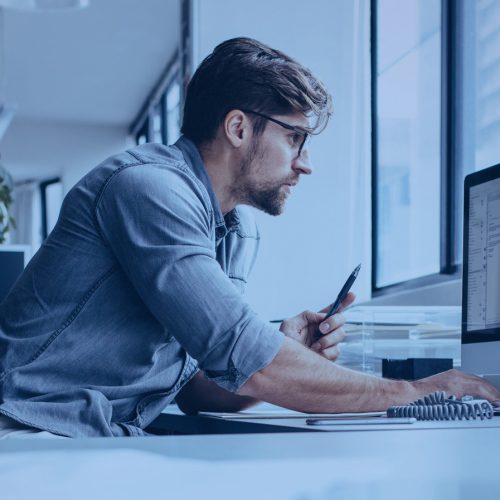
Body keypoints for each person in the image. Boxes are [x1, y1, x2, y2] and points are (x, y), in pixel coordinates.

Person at [0, 38, 498, 438]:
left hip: (100, 436)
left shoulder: (236, 228)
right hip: (28, 432)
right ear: (238, 127)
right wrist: (418, 392)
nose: (305, 163)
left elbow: (198, 389)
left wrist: (283, 350)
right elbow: (249, 361)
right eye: (294, 138)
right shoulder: (148, 189)